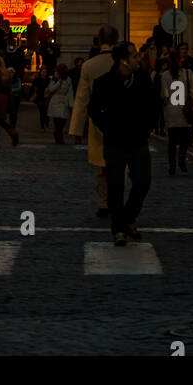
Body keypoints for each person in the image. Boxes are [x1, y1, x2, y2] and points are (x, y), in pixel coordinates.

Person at [89, 42, 157, 246]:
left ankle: (128, 217)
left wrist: (148, 127)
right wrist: (107, 128)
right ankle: (118, 228)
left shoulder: (143, 79)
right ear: (123, 60)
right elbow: (93, 109)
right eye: (135, 56)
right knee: (116, 186)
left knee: (143, 181)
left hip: (138, 140)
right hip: (115, 141)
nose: (139, 58)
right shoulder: (104, 82)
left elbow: (153, 105)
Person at [69, 25, 118, 216]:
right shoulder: (122, 62)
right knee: (119, 165)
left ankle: (104, 202)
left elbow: (82, 99)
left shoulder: (89, 65)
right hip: (122, 123)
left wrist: (76, 129)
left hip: (98, 123)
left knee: (101, 167)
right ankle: (117, 199)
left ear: (99, 40)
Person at [162, 48, 193, 174]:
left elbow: (164, 95)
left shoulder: (165, 75)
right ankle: (182, 158)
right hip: (185, 111)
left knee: (172, 141)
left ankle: (172, 164)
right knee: (184, 139)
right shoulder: (188, 73)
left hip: (171, 111)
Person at [46, 64, 73, 143]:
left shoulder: (68, 79)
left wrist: (71, 104)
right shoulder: (54, 79)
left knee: (63, 121)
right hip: (55, 101)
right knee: (57, 121)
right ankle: (59, 137)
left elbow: (70, 91)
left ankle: (58, 134)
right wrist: (58, 81)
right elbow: (51, 89)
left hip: (64, 101)